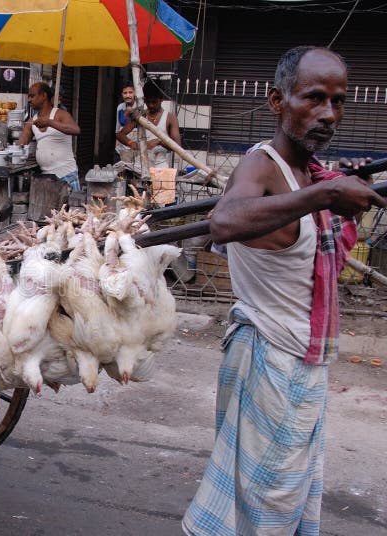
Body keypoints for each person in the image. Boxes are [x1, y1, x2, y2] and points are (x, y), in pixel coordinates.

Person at [183, 46, 386, 536]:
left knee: (283, 499)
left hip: (301, 363)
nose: (328, 115)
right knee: (267, 505)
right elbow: (225, 221)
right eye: (313, 98)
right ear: (277, 100)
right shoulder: (264, 166)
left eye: (338, 102)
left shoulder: (310, 174)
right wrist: (325, 194)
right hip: (271, 359)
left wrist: (336, 186)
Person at [18, 82, 81, 191]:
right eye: (28, 97)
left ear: (44, 96)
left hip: (67, 175)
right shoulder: (31, 122)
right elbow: (21, 145)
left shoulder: (60, 114)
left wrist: (50, 122)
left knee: (72, 208)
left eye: (32, 96)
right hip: (46, 178)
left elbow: (76, 130)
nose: (29, 100)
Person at [117, 79, 181, 168]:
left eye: (154, 102)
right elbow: (120, 134)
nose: (151, 105)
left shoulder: (170, 118)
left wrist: (159, 142)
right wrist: (131, 143)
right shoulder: (140, 115)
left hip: (160, 166)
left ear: (161, 99)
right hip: (140, 165)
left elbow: (177, 145)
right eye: (148, 102)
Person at [114, 84, 135, 162]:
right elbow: (118, 129)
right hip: (122, 147)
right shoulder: (120, 107)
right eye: (125, 93)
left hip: (135, 147)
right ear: (122, 94)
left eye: (130, 92)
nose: (128, 95)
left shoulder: (141, 107)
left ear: (135, 93)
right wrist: (116, 148)